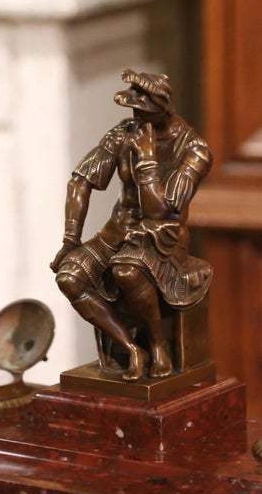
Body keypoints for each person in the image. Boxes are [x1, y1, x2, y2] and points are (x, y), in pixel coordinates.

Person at [50, 69, 212, 382]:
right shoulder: (125, 132)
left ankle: (158, 343)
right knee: (70, 277)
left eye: (142, 111)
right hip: (117, 231)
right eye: (133, 110)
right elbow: (80, 181)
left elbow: (161, 211)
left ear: (162, 109)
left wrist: (147, 160)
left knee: (126, 270)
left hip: (162, 239)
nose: (135, 117)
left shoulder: (195, 150)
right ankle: (132, 347)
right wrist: (71, 239)